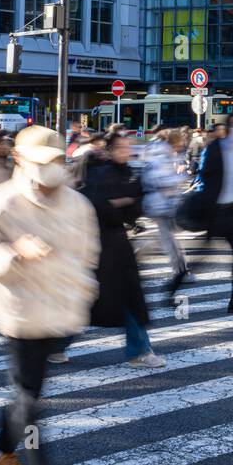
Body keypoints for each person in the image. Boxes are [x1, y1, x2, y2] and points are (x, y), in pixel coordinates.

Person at [0, 126, 101, 465]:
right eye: (42, 161)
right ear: (19, 159)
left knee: (29, 392)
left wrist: (84, 291)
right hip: (22, 310)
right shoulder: (0, 201)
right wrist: (13, 253)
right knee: (28, 394)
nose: (50, 168)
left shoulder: (78, 203)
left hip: (64, 310)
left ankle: (2, 455)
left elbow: (88, 254)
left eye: (56, 160)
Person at [82, 133, 164, 368]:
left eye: (128, 148)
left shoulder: (127, 173)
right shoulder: (99, 173)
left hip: (118, 244)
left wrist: (125, 202)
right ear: (108, 150)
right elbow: (100, 206)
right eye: (120, 148)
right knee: (87, 301)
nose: (126, 152)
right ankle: (55, 343)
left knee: (125, 299)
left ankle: (139, 350)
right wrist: (123, 202)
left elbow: (132, 209)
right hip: (98, 245)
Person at [189, 116, 233, 312]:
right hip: (216, 211)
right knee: (203, 256)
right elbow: (206, 176)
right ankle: (174, 286)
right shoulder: (216, 148)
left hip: (230, 212)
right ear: (229, 128)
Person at [141, 128, 189, 282]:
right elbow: (159, 180)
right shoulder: (161, 155)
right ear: (174, 141)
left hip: (163, 203)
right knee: (169, 240)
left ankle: (180, 270)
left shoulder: (163, 153)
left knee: (168, 238)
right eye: (181, 141)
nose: (182, 144)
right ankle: (181, 271)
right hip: (161, 204)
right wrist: (180, 178)